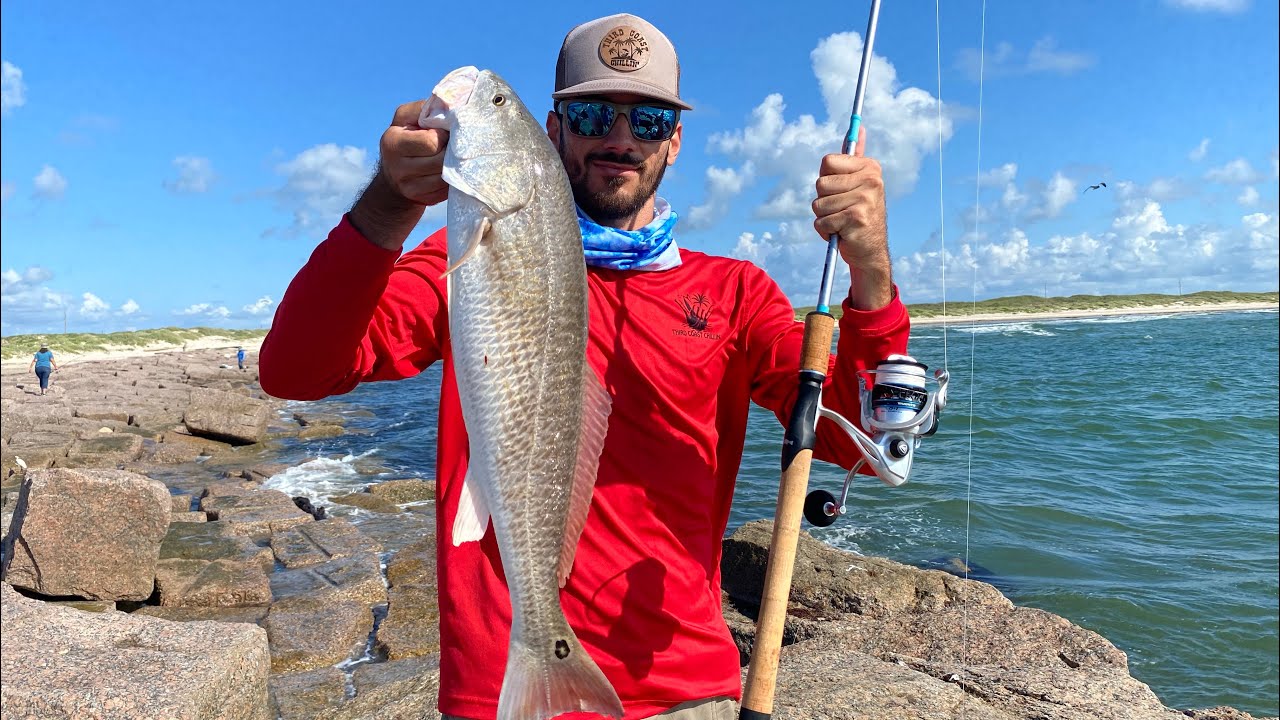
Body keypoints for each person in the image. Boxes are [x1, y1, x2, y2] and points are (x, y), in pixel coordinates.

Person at [261, 13, 909, 720]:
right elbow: (296, 370)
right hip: (502, 688)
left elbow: (853, 444)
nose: (622, 140)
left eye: (650, 121)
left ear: (677, 139)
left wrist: (870, 275)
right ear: (553, 129)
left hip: (683, 684)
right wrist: (389, 203)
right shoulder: (466, 262)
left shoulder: (736, 294)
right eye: (595, 114)